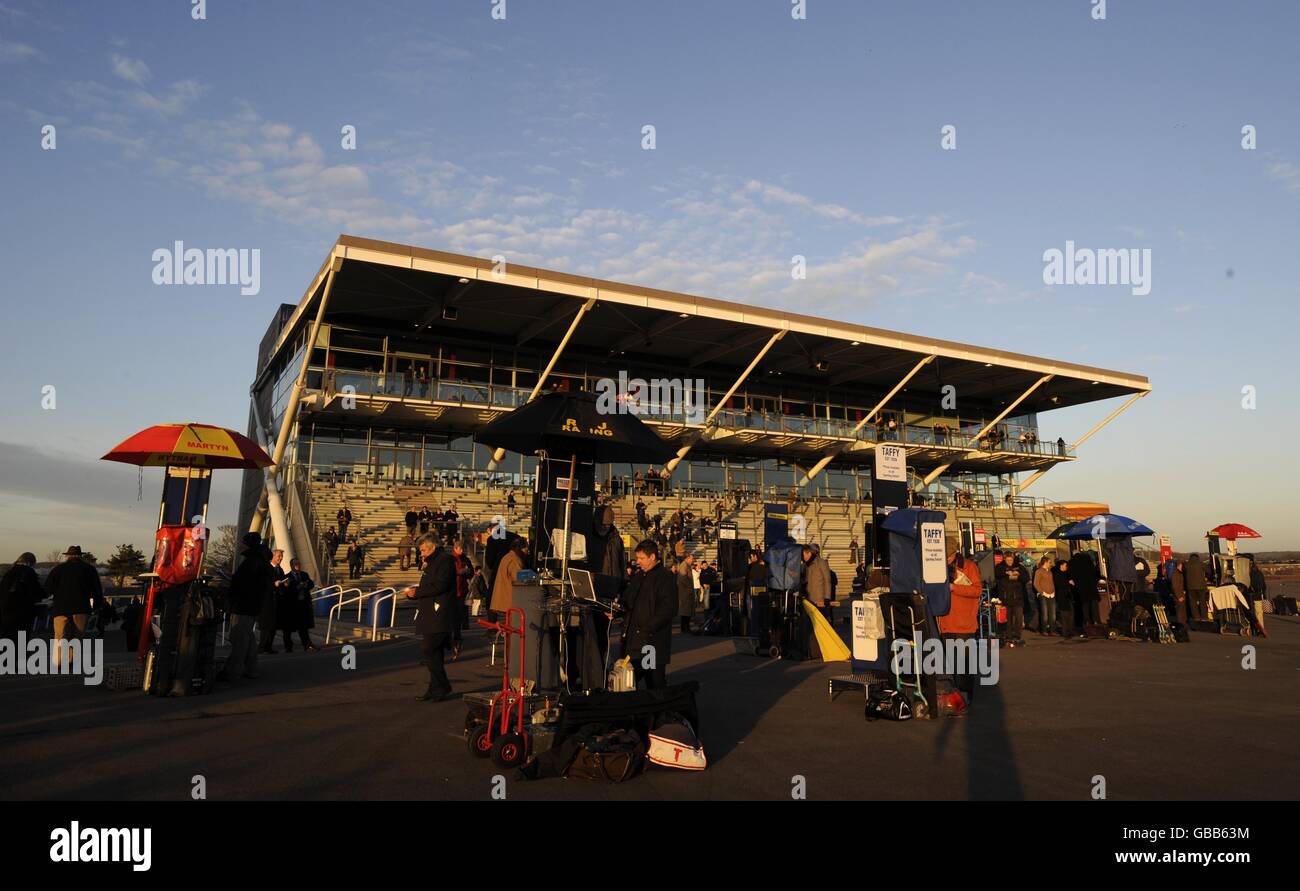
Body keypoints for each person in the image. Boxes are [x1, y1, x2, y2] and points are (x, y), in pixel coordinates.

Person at [402, 534, 456, 702]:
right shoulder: (434, 561)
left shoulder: (444, 560)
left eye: (423, 550)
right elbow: (430, 585)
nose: (422, 554)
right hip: (431, 612)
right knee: (435, 652)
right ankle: (435, 688)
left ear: (432, 546)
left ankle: (443, 685)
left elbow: (441, 585)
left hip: (439, 613)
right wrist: (415, 592)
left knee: (428, 649)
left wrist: (417, 592)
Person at [618, 540, 677, 689]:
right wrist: (616, 610)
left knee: (654, 682)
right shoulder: (639, 576)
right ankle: (639, 710)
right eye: (637, 558)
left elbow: (668, 609)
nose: (638, 562)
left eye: (641, 558)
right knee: (627, 680)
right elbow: (627, 600)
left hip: (651, 643)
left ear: (652, 557)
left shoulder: (665, 577)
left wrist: (647, 629)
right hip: (633, 642)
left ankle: (659, 711)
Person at [221, 534, 272, 682]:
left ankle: (233, 671)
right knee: (248, 637)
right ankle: (252, 668)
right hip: (253, 605)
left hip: (244, 605)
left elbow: (245, 584)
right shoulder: (261, 561)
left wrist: (231, 583)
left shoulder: (252, 562)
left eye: (243, 543)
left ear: (249, 544)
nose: (241, 545)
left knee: (239, 638)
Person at [45, 546, 102, 669]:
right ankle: (71, 661)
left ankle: (60, 662)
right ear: (80, 556)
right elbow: (97, 590)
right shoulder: (89, 569)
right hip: (81, 608)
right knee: (77, 636)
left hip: (60, 608)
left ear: (67, 556)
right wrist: (97, 606)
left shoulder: (58, 569)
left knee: (61, 636)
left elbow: (48, 589)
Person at [938, 544, 981, 701]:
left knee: (964, 665)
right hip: (946, 621)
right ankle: (955, 696)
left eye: (949, 555)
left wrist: (953, 587)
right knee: (951, 664)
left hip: (964, 623)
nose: (947, 558)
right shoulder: (937, 566)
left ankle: (966, 695)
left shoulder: (969, 566)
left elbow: (977, 590)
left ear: (955, 553)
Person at [0, 552, 42, 642]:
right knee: (21, 641)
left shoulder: (8, 573)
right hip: (22, 613)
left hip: (6, 612)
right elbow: (36, 592)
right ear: (31, 562)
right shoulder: (29, 572)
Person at [279, 558, 319, 652]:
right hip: (292, 606)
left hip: (303, 605)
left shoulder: (304, 574)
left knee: (303, 627)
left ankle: (307, 644)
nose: (298, 565)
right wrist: (297, 587)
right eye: (295, 564)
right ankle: (288, 647)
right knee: (288, 629)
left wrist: (305, 585)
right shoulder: (287, 577)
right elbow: (285, 591)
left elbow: (311, 584)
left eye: (298, 563)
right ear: (291, 566)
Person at [995, 550, 1026, 647]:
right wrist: (1006, 573)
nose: (1009, 562)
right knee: (1007, 619)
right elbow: (997, 574)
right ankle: (1008, 636)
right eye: (1008, 560)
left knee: (1018, 618)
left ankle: (1017, 636)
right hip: (1005, 597)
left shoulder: (1019, 567)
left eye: (1011, 560)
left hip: (1018, 597)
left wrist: (1018, 574)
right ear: (1005, 559)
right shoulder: (1000, 567)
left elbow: (1026, 578)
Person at [489, 535, 527, 615]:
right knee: (513, 624)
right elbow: (518, 578)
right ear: (520, 548)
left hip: (502, 599)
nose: (527, 550)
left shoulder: (507, 556)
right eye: (525, 547)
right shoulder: (515, 559)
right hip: (509, 599)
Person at [1068, 549, 1102, 636]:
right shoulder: (1087, 559)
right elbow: (1095, 571)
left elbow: (1071, 576)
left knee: (1085, 604)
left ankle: (1087, 621)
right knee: (1094, 603)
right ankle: (1096, 620)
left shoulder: (1071, 562)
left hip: (1081, 587)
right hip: (1091, 585)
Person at [450, 540, 473, 661]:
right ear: (456, 548)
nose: (462, 551)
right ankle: (453, 641)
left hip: (461, 591)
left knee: (458, 617)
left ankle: (457, 641)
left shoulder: (465, 559)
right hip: (452, 591)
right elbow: (447, 573)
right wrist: (458, 572)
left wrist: (468, 572)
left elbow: (471, 572)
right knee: (452, 617)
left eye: (463, 549)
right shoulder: (450, 559)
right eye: (460, 549)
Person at [260, 548, 287, 654]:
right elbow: (263, 584)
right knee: (266, 626)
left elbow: (282, 581)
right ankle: (262, 647)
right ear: (273, 556)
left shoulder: (280, 570)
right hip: (267, 602)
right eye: (279, 556)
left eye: (281, 556)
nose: (281, 558)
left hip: (277, 602)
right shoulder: (266, 568)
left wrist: (285, 584)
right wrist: (273, 584)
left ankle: (269, 646)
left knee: (273, 626)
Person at [802, 544, 833, 619]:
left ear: (810, 553)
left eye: (804, 554)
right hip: (808, 599)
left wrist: (827, 597)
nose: (803, 557)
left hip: (819, 600)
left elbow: (827, 580)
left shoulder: (822, 563)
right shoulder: (805, 565)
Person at [1033, 555, 1057, 635]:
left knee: (1052, 613)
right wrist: (1042, 592)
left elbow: (1052, 582)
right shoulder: (1039, 571)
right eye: (1049, 562)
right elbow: (1036, 583)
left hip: (1051, 594)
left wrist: (1053, 591)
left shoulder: (1049, 571)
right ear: (1045, 562)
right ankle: (1044, 630)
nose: (1050, 563)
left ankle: (1052, 630)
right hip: (1043, 594)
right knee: (1045, 613)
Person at [1184, 553, 1209, 621]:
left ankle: (1196, 617)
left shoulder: (1186, 564)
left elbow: (1184, 572)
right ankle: (1204, 617)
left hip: (1190, 587)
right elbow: (1209, 571)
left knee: (1193, 603)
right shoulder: (1201, 563)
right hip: (1201, 586)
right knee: (1202, 602)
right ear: (1197, 557)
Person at [676, 553, 696, 633]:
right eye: (692, 558)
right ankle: (685, 628)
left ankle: (686, 628)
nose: (693, 560)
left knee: (687, 611)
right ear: (687, 558)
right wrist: (689, 588)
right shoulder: (684, 565)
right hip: (685, 592)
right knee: (685, 611)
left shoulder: (686, 565)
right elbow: (682, 578)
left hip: (686, 591)